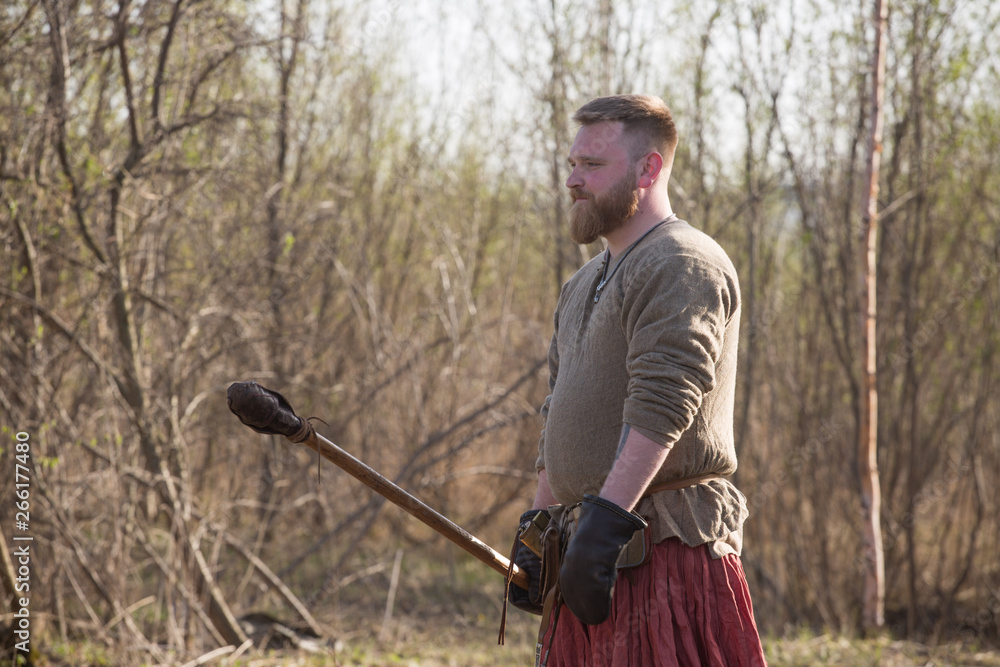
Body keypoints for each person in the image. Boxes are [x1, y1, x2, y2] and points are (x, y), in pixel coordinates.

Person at [507, 95, 767, 666]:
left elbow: (663, 401)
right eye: (572, 164)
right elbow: (560, 415)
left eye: (593, 166)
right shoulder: (582, 284)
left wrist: (605, 525)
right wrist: (539, 526)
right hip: (593, 551)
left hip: (664, 554)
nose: (574, 180)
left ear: (648, 169)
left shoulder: (682, 260)